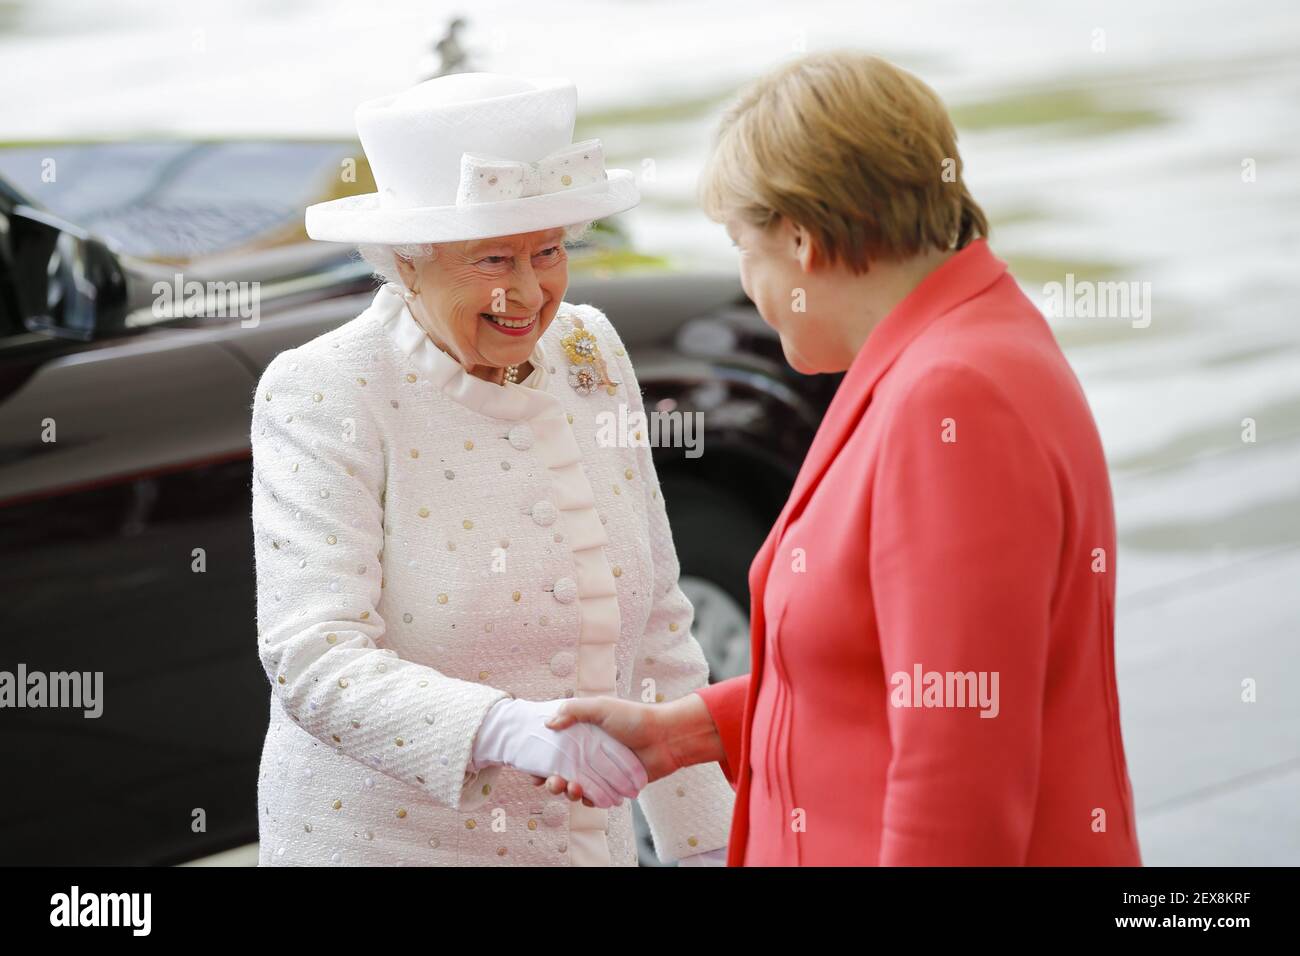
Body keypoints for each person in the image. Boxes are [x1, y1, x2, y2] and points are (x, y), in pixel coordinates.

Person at [546, 50, 1143, 866]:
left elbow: (957, 772)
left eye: (741, 246)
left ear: (802, 239)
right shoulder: (948, 350)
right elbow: (882, 670)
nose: (748, 283)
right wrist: (684, 732)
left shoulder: (953, 397)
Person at [251, 72, 733, 865]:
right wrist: (511, 732)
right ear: (405, 263)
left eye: (548, 251)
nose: (528, 290)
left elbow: (657, 629)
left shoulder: (589, 349)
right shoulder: (324, 389)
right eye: (492, 258)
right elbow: (313, 654)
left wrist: (709, 847)